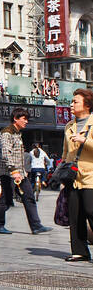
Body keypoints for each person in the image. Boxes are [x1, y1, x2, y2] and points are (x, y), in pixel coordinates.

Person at [0, 108, 48, 236]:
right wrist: (14, 170)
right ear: (16, 119)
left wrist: (22, 171)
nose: (26, 122)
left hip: (20, 174)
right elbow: (6, 153)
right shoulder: (7, 133)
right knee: (6, 200)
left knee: (29, 197)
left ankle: (36, 225)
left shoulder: (17, 133)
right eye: (24, 119)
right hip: (10, 173)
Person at [62, 88, 93, 263]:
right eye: (72, 102)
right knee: (75, 215)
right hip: (73, 177)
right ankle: (80, 251)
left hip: (91, 176)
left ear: (87, 105)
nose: (71, 105)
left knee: (91, 210)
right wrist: (62, 175)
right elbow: (66, 153)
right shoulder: (69, 126)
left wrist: (85, 141)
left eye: (75, 102)